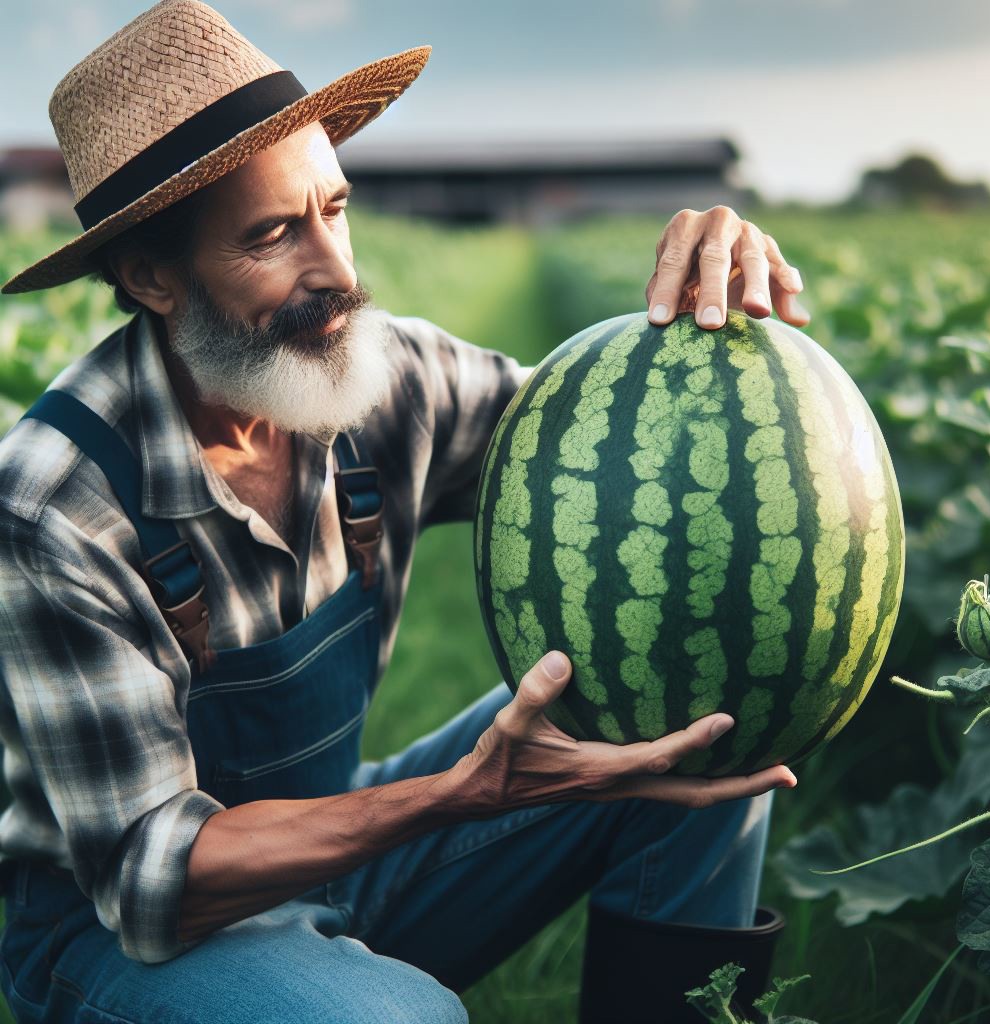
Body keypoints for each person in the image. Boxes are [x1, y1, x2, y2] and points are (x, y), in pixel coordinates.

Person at [0, 2, 808, 1021]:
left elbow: (622, 451)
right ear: (152, 276)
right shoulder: (54, 505)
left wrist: (709, 276)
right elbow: (153, 877)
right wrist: (466, 791)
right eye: (272, 236)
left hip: (338, 857)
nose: (336, 273)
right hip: (123, 941)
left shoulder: (388, 379)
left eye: (333, 209)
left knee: (692, 722)